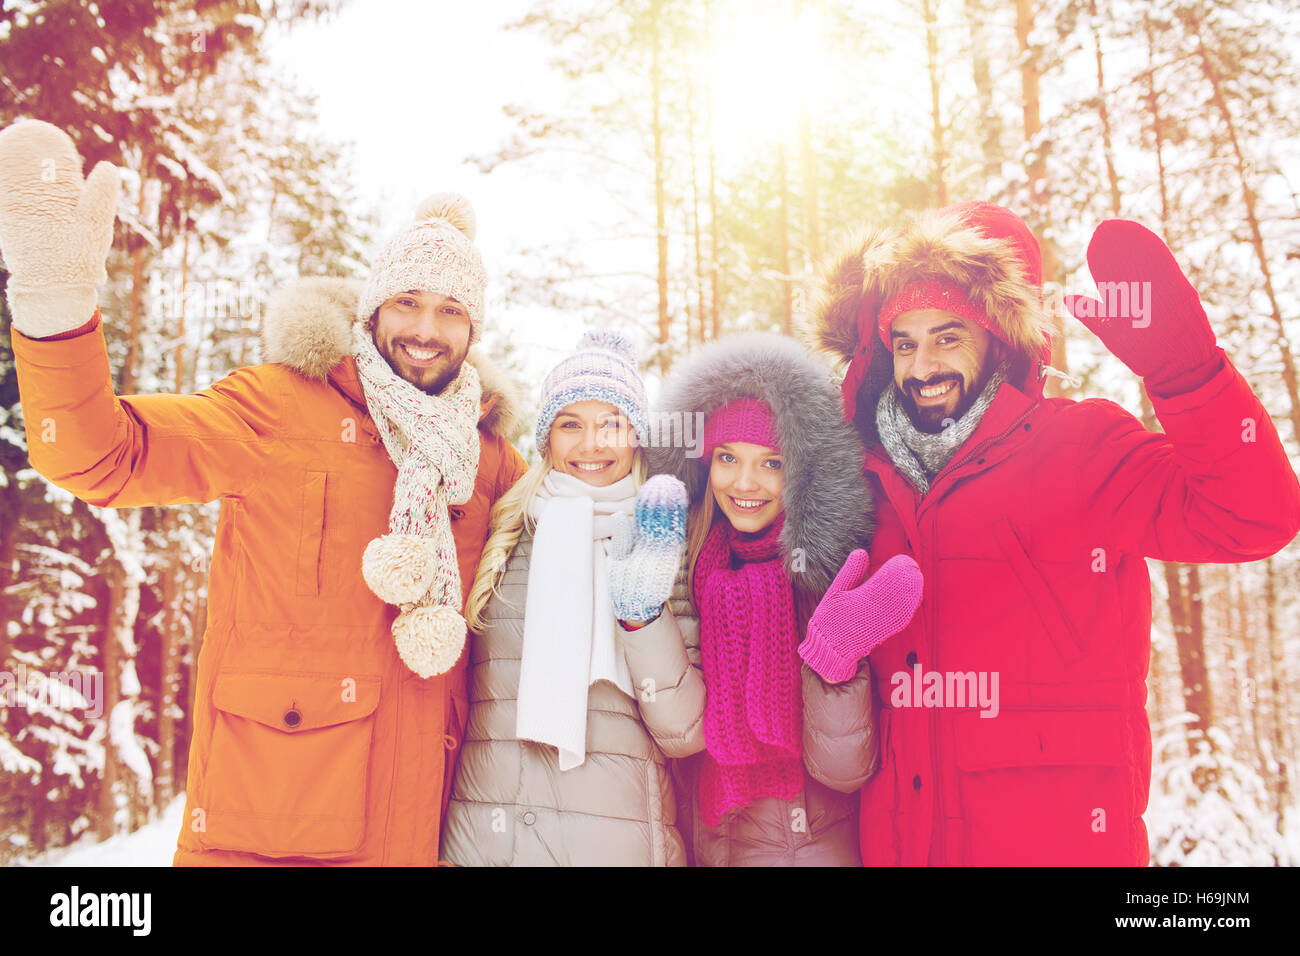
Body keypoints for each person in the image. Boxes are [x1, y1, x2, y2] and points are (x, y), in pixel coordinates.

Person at [0, 118, 527, 865]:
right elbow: (102, 455)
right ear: (372, 308)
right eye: (408, 301)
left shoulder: (488, 460)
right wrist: (55, 308)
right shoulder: (279, 407)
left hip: (422, 835)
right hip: (267, 832)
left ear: (473, 329)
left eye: (451, 310)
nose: (426, 329)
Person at [810, 200, 1300, 865]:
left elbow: (1251, 517)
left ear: (1000, 338)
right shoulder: (861, 488)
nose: (922, 366)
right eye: (906, 342)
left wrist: (1189, 376)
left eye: (948, 336)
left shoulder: (1080, 448)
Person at [651, 332, 922, 865]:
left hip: (808, 844)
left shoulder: (822, 580)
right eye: (728, 457)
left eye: (771, 463)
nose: (744, 482)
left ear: (799, 475)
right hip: (706, 840)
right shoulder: (685, 571)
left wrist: (832, 662)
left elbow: (844, 770)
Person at [443, 330, 704, 865]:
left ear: (636, 436)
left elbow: (685, 730)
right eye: (571, 425)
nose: (592, 444)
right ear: (547, 439)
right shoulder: (507, 532)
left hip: (612, 844)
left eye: (612, 423)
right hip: (486, 840)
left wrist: (642, 615)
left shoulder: (663, 540)